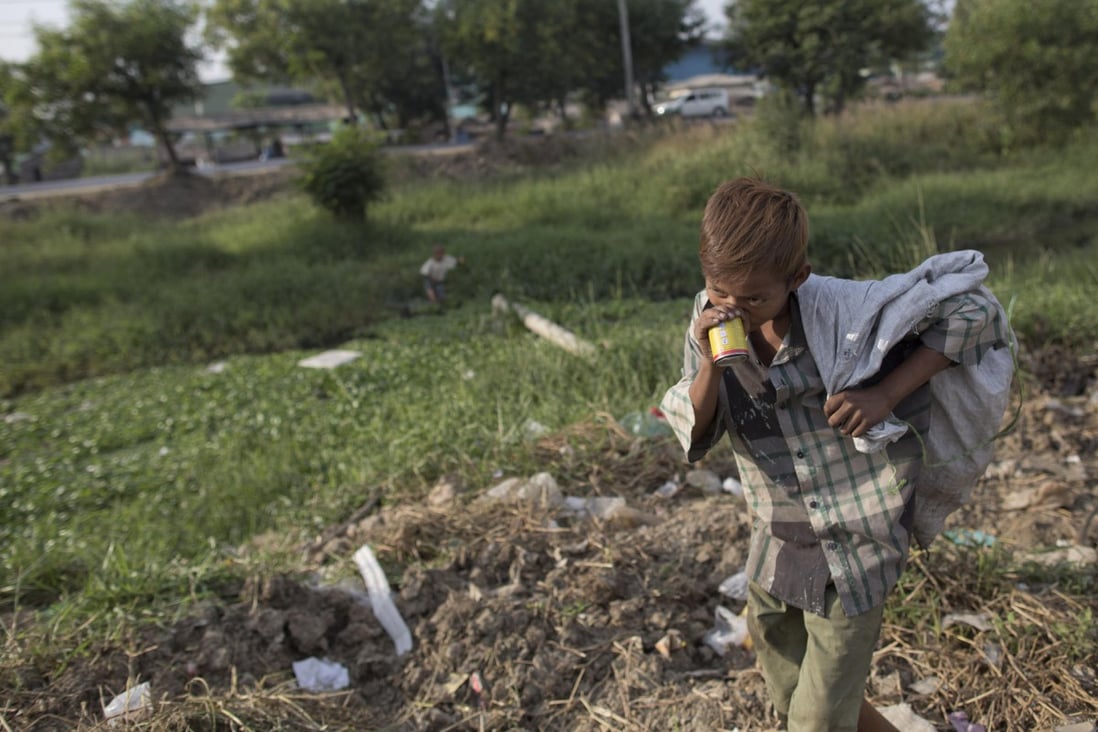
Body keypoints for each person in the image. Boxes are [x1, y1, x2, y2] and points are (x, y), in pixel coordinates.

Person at [660, 178, 1014, 732]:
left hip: (854, 547)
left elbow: (976, 313)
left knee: (818, 719)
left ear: (797, 279)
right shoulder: (711, 318)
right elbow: (697, 431)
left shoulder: (846, 315)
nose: (736, 310)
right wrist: (708, 362)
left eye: (755, 299)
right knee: (795, 701)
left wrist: (885, 393)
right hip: (776, 546)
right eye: (719, 291)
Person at [419, 245, 464, 309]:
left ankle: (441, 308)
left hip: (439, 281)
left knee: (442, 298)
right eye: (438, 253)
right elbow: (425, 273)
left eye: (441, 253)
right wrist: (432, 280)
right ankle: (431, 307)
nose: (440, 255)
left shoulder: (446, 259)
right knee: (432, 297)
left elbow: (455, 262)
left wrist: (460, 261)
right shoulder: (430, 262)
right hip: (430, 281)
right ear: (435, 254)